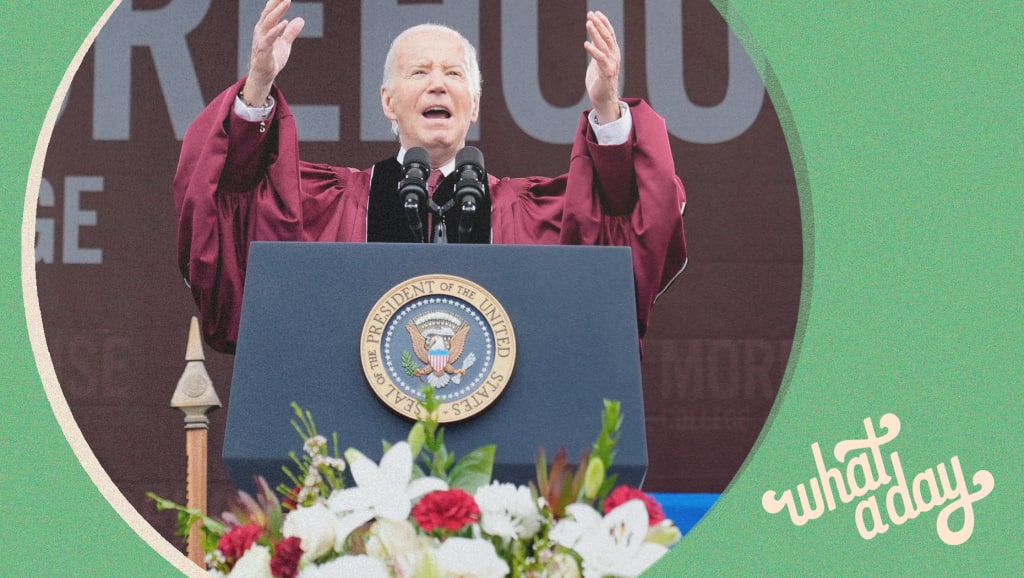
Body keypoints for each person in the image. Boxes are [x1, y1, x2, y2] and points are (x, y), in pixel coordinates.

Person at [174, 0, 687, 353]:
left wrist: (606, 109)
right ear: (388, 101)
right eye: (419, 72)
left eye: (454, 73)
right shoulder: (328, 206)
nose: (438, 84)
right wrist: (259, 84)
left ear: (475, 105)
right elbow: (233, 199)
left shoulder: (531, 216)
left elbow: (620, 220)